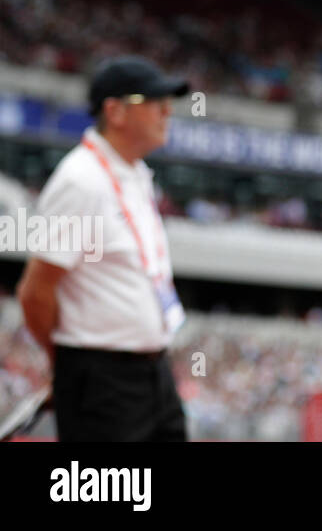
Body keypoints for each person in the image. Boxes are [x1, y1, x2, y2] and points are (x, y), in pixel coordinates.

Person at [16, 55, 191, 441]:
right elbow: (34, 292)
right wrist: (67, 362)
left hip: (152, 369)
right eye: (154, 101)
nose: (167, 111)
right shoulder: (81, 180)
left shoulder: (135, 172)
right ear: (115, 111)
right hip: (102, 374)